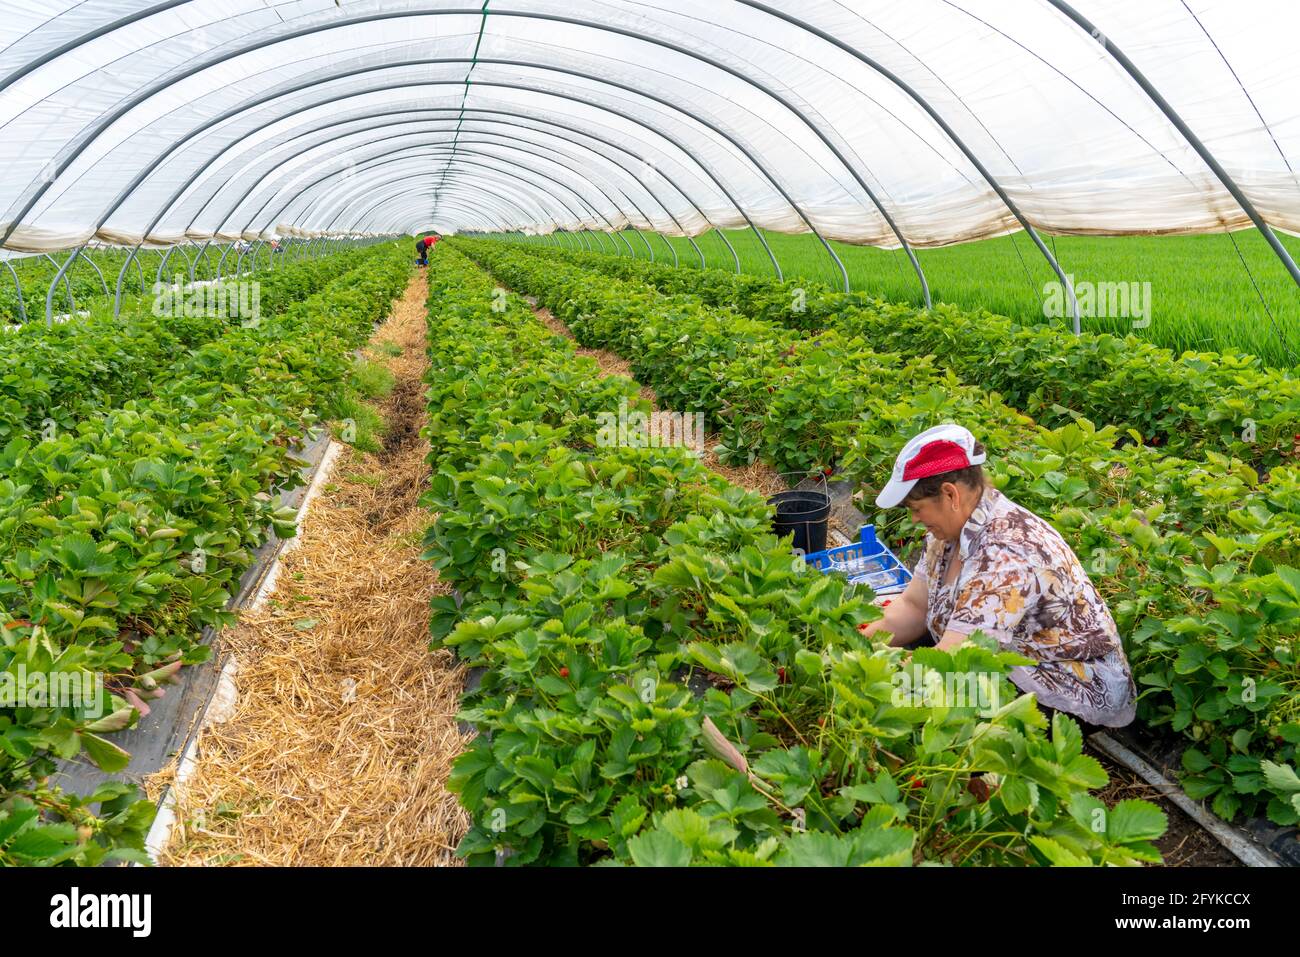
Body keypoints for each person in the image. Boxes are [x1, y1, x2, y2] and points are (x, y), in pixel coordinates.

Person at [860, 423, 1136, 730]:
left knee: (934, 714)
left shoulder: (1007, 551)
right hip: (1001, 655)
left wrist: (870, 671)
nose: (914, 518)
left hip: (1062, 684)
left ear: (950, 494)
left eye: (917, 508)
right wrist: (857, 644)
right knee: (914, 673)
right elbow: (913, 606)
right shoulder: (947, 534)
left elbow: (956, 658)